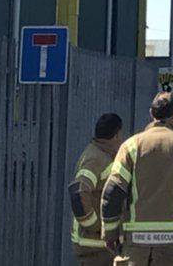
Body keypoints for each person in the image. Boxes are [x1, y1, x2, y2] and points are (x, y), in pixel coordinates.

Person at [102, 92, 173, 266]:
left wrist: (109, 234)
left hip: (135, 241)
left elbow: (112, 193)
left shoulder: (130, 146)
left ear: (151, 113)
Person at [69, 113, 124, 266]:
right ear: (117, 135)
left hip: (100, 245)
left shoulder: (102, 155)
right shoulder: (96, 158)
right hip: (95, 246)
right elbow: (79, 191)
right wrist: (95, 226)